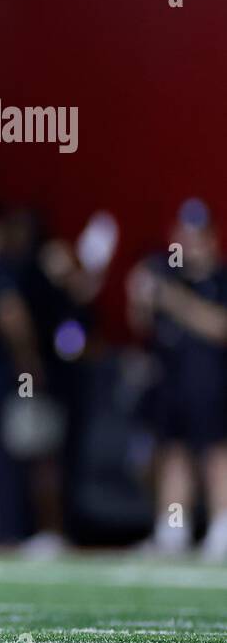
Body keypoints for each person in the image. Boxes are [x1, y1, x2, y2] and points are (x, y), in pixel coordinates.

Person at [128, 198, 227, 558]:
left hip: (214, 384)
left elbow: (220, 326)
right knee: (174, 455)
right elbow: (140, 325)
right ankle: (173, 531)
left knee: (217, 455)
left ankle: (222, 530)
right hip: (171, 383)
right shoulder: (165, 271)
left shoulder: (219, 279)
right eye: (186, 233)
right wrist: (139, 297)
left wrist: (172, 300)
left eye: (198, 234)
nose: (191, 242)